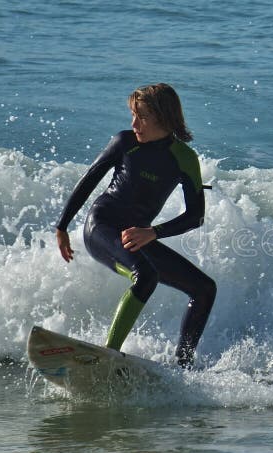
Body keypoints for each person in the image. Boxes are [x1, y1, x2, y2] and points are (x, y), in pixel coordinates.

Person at [54, 83, 216, 368]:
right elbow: (90, 178)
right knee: (145, 275)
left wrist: (153, 233)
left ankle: (183, 367)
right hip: (102, 227)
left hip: (138, 236)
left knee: (204, 289)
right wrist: (62, 225)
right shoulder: (124, 142)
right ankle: (107, 356)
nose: (134, 123)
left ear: (163, 118)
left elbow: (196, 216)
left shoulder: (185, 159)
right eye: (133, 115)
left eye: (141, 116)